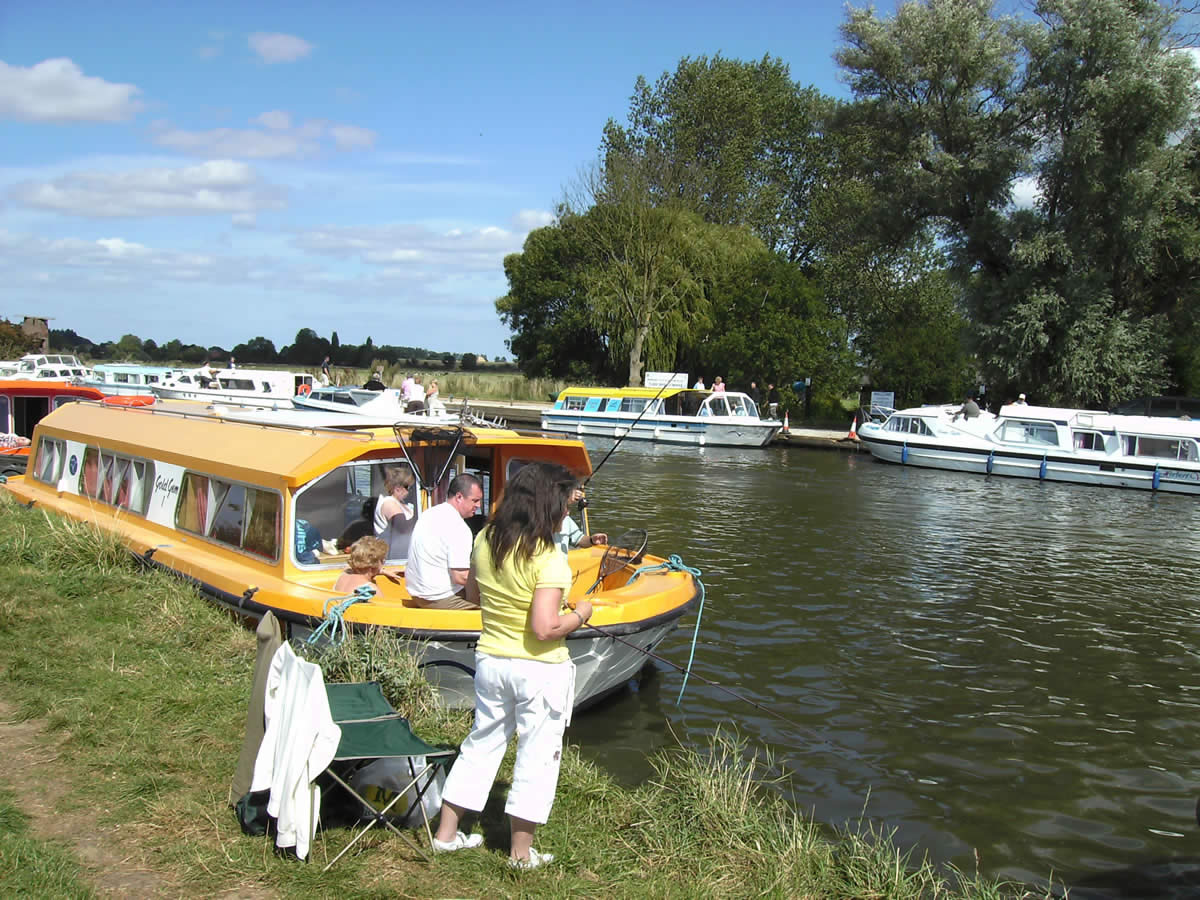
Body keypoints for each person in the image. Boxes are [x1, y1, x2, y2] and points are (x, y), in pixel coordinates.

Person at [431, 461, 593, 868]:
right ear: (546, 503)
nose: (567, 512)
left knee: (481, 745)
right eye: (564, 503)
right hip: (539, 670)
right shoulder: (549, 556)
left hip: (492, 660)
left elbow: (473, 594)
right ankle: (521, 855)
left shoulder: (485, 538)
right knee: (536, 756)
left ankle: (446, 835)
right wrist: (580, 614)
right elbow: (545, 627)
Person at [405, 474, 483, 610]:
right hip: (440, 598)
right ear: (459, 497)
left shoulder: (429, 514)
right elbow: (461, 577)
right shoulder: (459, 527)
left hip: (418, 595)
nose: (479, 505)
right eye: (475, 500)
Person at [374, 466, 417, 558]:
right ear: (398, 488)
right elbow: (402, 528)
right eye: (408, 487)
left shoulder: (401, 504)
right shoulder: (389, 503)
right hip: (393, 557)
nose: (410, 491)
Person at [333, 536, 397, 593]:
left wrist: (381, 571)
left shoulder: (345, 573)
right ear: (374, 565)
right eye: (383, 560)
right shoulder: (370, 590)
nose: (383, 564)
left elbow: (362, 569)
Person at [555, 488, 607, 555]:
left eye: (568, 507)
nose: (568, 512)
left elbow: (579, 539)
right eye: (565, 506)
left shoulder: (567, 520)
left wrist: (592, 540)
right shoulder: (538, 520)